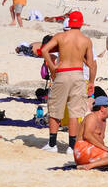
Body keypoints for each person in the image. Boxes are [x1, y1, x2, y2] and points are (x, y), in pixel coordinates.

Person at [41, 10, 96, 152]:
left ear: (70, 22)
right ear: (81, 23)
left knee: (55, 109)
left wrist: (52, 67)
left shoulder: (61, 36)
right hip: (78, 75)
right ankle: (71, 146)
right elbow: (92, 64)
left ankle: (52, 144)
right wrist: (91, 81)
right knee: (75, 111)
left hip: (62, 73)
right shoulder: (86, 40)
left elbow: (44, 50)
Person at [73, 93, 108, 171]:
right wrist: (104, 148)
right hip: (83, 150)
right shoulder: (92, 117)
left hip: (93, 150)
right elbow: (87, 135)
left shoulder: (103, 121)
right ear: (102, 108)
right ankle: (88, 166)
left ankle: (95, 165)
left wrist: (106, 149)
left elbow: (98, 140)